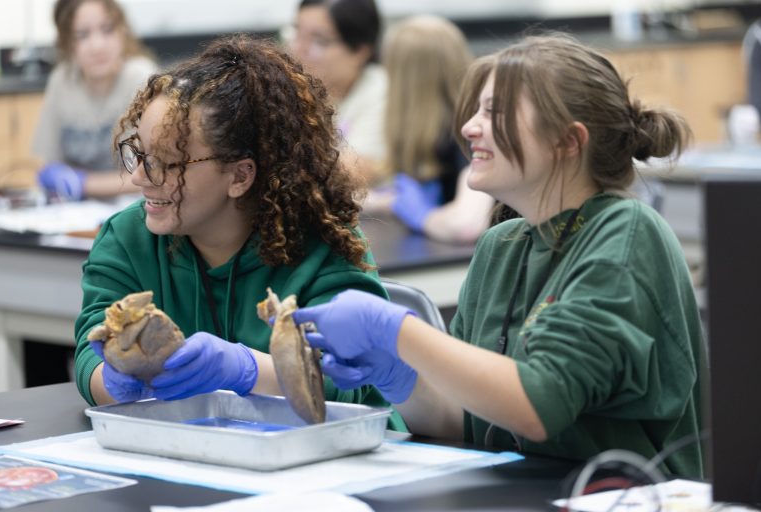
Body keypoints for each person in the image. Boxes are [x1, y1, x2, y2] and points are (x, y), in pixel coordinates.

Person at [292, 33, 706, 478]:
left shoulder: (626, 234)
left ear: (568, 141)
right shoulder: (501, 245)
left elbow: (538, 404)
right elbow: (465, 424)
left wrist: (396, 330)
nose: (470, 127)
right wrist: (402, 381)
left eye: (495, 113)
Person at [73, 34, 403, 430]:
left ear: (240, 175)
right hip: (199, 458)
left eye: (166, 163)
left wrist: (245, 370)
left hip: (335, 458)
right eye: (139, 155)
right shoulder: (128, 238)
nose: (140, 177)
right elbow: (89, 351)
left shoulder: (323, 243)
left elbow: (349, 382)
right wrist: (115, 379)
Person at [364, 15, 494, 243]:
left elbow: (467, 224)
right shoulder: (428, 130)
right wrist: (387, 202)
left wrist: (423, 216)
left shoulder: (467, 132)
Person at [33, 0, 157, 201]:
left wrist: (84, 183)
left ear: (122, 32)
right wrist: (52, 175)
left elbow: (153, 174)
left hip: (132, 211)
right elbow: (50, 163)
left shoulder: (142, 79)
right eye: (82, 35)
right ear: (67, 43)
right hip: (74, 215)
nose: (97, 46)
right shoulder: (61, 80)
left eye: (107, 30)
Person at [286, 0, 388, 186]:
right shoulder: (294, 89)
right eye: (296, 34)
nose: (299, 50)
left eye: (318, 41)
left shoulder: (382, 92)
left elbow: (349, 175)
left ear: (360, 51)